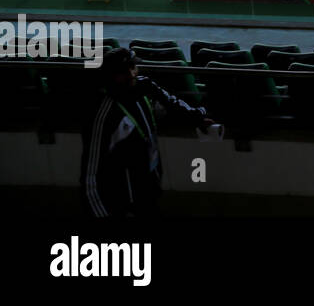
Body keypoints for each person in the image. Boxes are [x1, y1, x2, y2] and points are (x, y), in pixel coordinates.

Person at [81, 47, 214, 217]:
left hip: (149, 185)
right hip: (124, 201)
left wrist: (197, 118)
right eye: (123, 71)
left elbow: (171, 102)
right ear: (110, 76)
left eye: (132, 67)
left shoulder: (144, 86)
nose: (131, 74)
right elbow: (90, 178)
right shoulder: (105, 115)